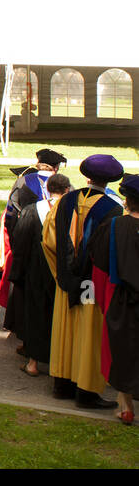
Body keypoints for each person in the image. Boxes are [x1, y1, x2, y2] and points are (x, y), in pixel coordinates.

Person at [46, 153, 124, 408]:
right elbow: (109, 253)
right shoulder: (113, 209)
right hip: (92, 283)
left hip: (65, 280)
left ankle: (61, 384)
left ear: (87, 176)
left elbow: (48, 240)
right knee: (88, 336)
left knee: (65, 330)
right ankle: (86, 391)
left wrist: (61, 274)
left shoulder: (65, 201)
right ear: (109, 180)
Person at [88, 173, 139, 424]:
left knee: (124, 351)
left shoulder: (114, 225)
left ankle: (126, 405)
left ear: (127, 200)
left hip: (123, 300)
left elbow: (98, 259)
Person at [11, 172, 71, 376]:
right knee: (60, 316)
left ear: (47, 189)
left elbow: (19, 242)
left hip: (37, 271)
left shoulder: (32, 210)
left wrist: (19, 270)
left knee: (36, 315)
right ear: (67, 190)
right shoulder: (73, 213)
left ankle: (33, 364)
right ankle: (60, 363)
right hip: (63, 272)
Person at [0, 148, 67, 328]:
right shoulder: (65, 186)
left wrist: (16, 242)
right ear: (56, 167)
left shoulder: (23, 182)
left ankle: (21, 326)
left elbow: (10, 215)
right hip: (54, 248)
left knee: (25, 287)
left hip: (27, 244)